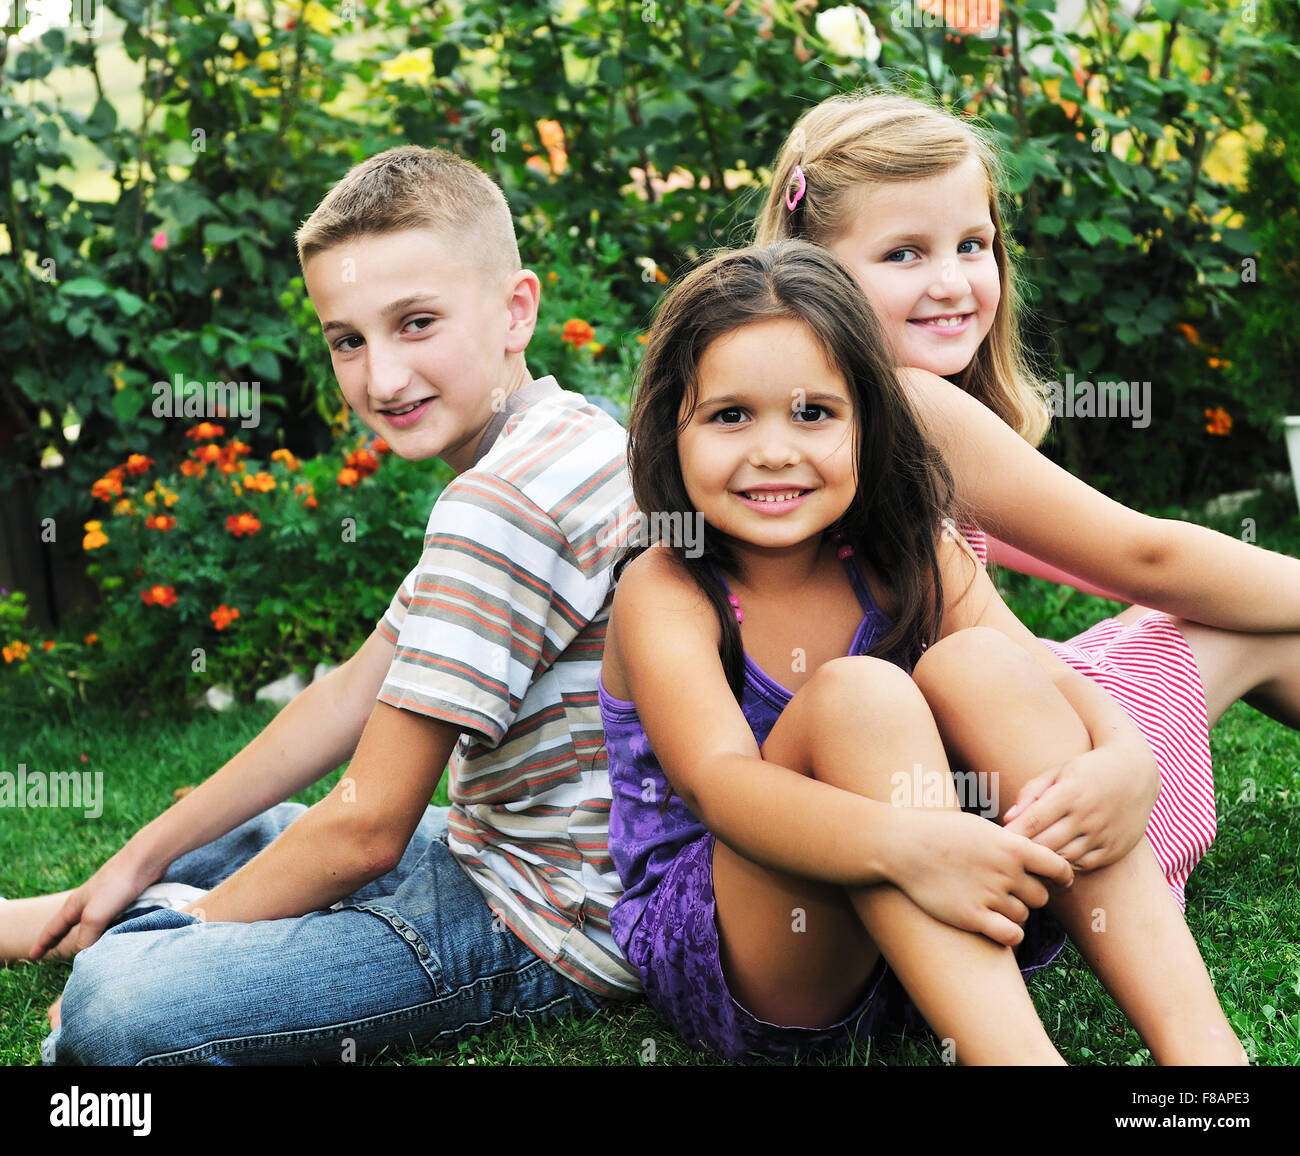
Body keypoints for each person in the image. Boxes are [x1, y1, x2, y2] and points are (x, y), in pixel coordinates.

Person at [8, 144, 642, 1064]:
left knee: (116, 1010)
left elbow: (371, 829)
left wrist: (182, 946)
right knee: (256, 830)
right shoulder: (566, 431)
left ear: (516, 309)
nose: (381, 380)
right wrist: (139, 854)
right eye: (348, 339)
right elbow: (351, 693)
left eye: (416, 323)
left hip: (546, 920)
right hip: (483, 845)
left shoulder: (503, 502)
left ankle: (128, 935)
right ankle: (82, 910)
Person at [600, 239, 1245, 1064]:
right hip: (755, 946)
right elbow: (721, 785)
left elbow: (1042, 671)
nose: (773, 450)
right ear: (670, 430)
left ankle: (1205, 1062)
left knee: (981, 664)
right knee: (858, 697)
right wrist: (906, 848)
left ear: (869, 421)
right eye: (731, 415)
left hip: (940, 912)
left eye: (814, 413)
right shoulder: (667, 585)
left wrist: (1126, 758)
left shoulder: (905, 545)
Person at [753, 90, 1300, 905]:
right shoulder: (911, 402)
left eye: (974, 244)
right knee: (1238, 626)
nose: (952, 281)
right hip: (1006, 785)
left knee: (1212, 612)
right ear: (815, 274)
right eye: (905, 253)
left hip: (919, 774)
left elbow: (1073, 559)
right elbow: (1142, 557)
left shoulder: (808, 418)